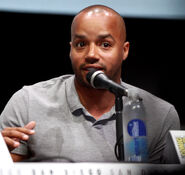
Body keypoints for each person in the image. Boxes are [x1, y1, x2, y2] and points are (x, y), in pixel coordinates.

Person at [0, 5, 180, 163]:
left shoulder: (161, 115)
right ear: (70, 50)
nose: (91, 54)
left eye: (105, 44)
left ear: (124, 51)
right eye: (81, 44)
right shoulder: (27, 102)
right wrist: (2, 159)